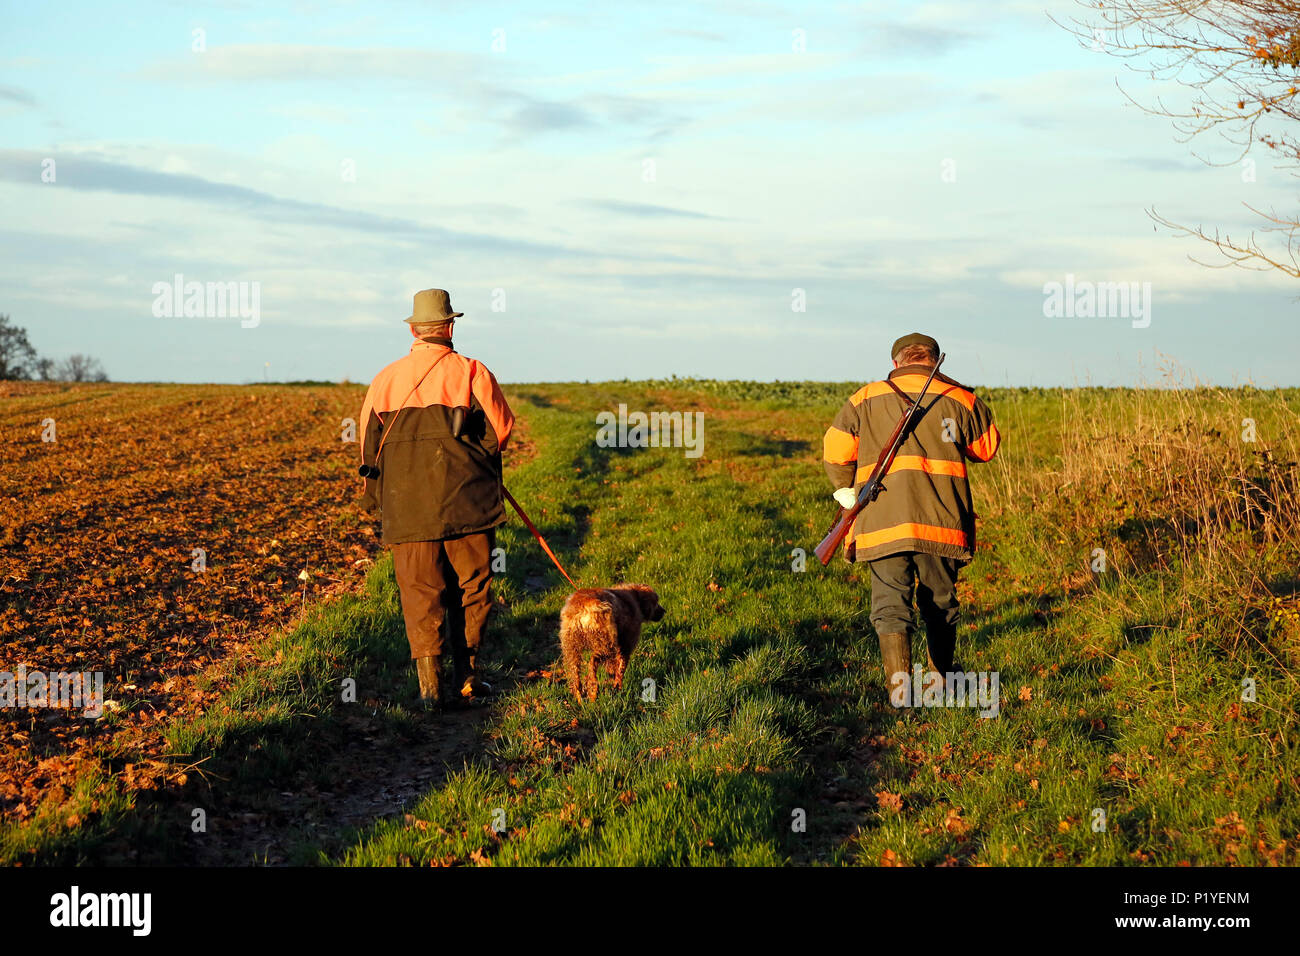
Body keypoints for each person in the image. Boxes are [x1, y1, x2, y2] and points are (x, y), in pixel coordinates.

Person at [821, 333, 1001, 705]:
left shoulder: (866, 397)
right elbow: (986, 448)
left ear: (896, 363)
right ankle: (942, 687)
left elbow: (835, 449)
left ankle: (900, 696)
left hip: (881, 521)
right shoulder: (959, 399)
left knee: (890, 607)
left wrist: (844, 490)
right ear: (936, 361)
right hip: (941, 521)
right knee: (940, 604)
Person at [358, 289, 514, 708]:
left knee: (419, 592)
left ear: (413, 329)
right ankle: (468, 677)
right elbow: (500, 432)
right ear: (449, 327)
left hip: (406, 507)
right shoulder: (471, 372)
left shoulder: (384, 380)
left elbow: (367, 450)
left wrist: (384, 497)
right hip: (468, 504)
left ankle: (429, 691)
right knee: (473, 586)